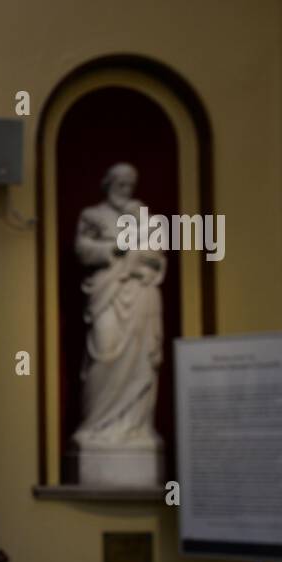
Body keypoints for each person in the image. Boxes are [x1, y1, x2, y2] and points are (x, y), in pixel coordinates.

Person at [72, 163, 165, 454]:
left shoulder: (144, 216)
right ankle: (96, 425)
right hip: (107, 290)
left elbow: (158, 254)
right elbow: (82, 249)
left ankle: (134, 427)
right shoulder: (93, 215)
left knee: (140, 359)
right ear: (108, 183)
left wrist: (140, 254)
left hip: (139, 291)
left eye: (130, 184)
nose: (125, 189)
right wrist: (113, 249)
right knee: (105, 349)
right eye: (120, 183)